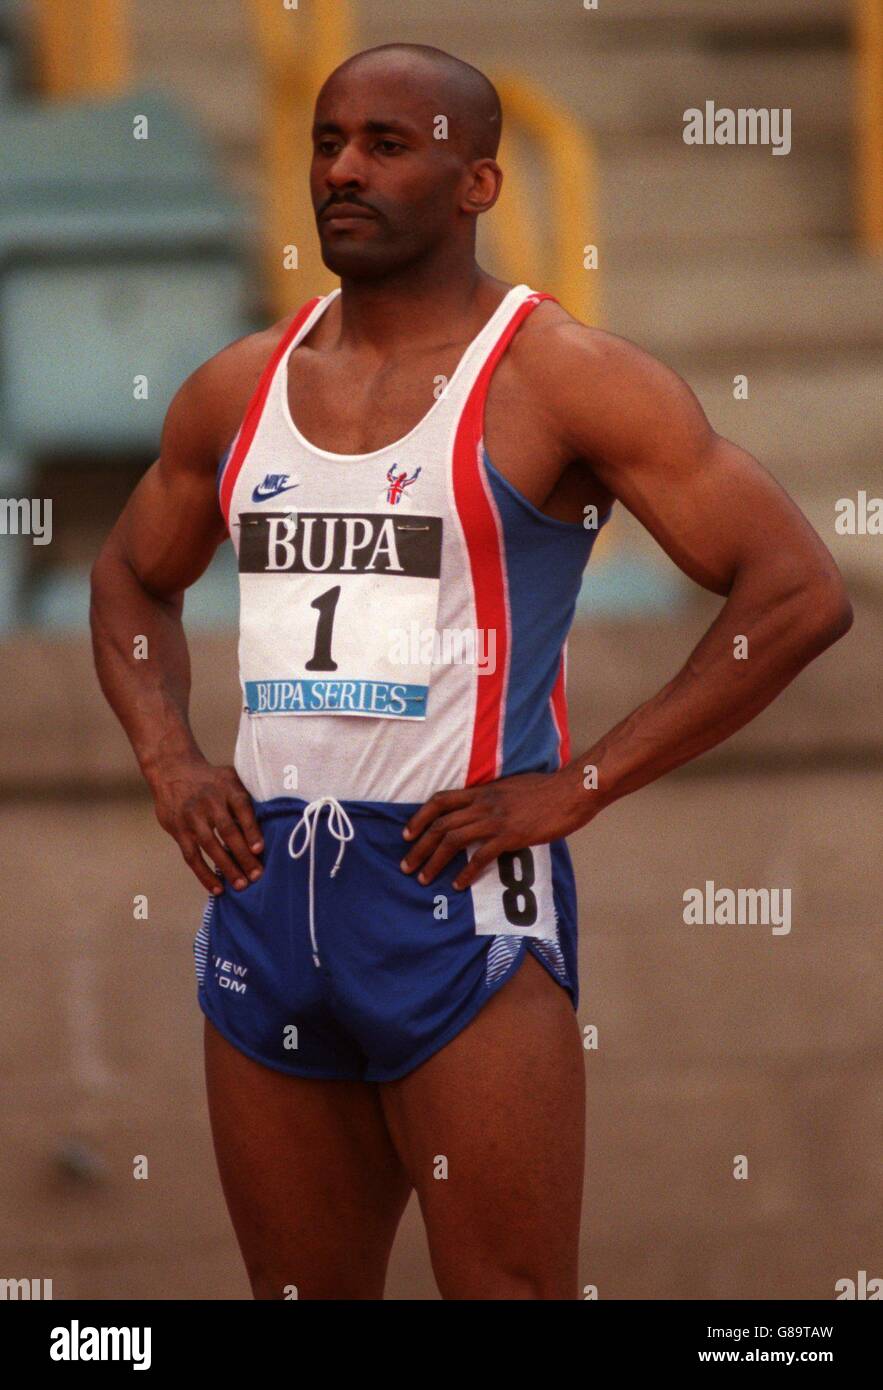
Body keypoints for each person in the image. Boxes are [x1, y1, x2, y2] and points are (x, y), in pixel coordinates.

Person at [90, 43, 852, 1300]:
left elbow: (795, 592)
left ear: (480, 182)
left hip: (454, 893)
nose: (342, 168)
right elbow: (129, 581)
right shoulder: (239, 387)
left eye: (387, 145)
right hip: (266, 891)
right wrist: (170, 760)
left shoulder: (561, 377)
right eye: (328, 141)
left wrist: (586, 780)